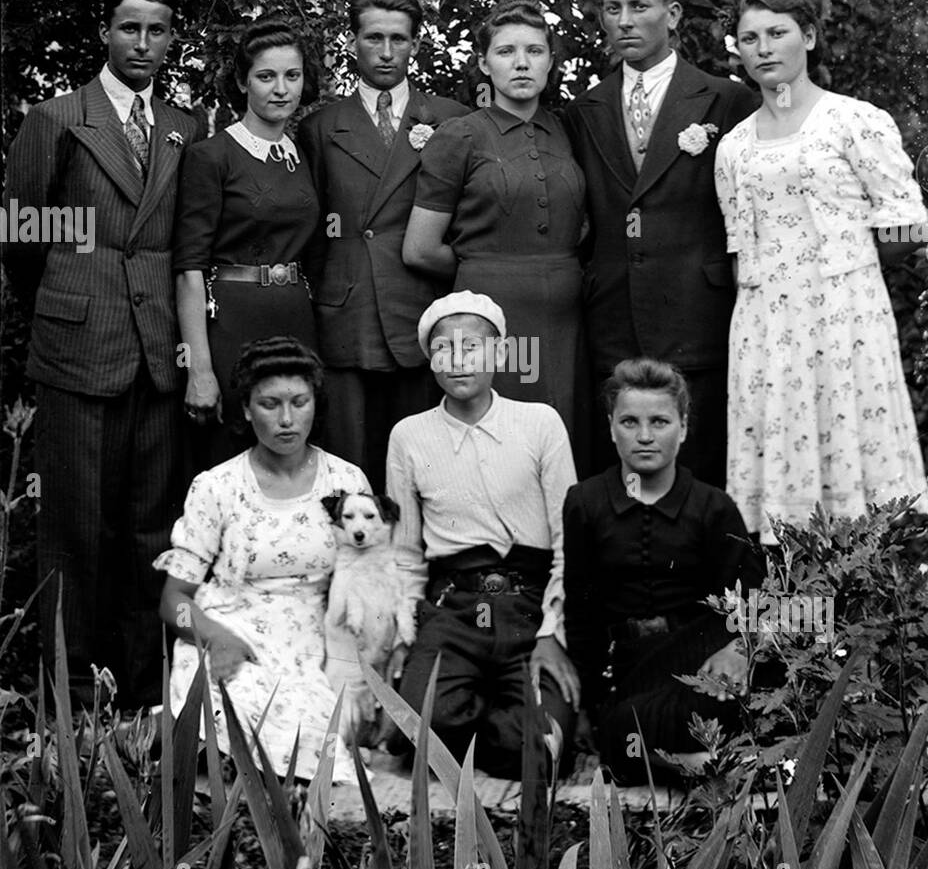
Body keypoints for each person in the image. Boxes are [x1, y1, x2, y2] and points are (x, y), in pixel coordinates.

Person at [1, 0, 201, 711]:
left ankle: (146, 688)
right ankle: (72, 692)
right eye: (129, 29)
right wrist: (75, 290)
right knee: (76, 529)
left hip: (158, 352)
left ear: (170, 37)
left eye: (156, 31)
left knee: (154, 525)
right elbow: (22, 236)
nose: (142, 44)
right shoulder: (57, 119)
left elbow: (186, 239)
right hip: (79, 345)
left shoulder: (188, 126)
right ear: (105, 33)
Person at [714, 0, 928, 541]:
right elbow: (742, 246)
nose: (763, 48)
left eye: (778, 33)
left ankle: (868, 588)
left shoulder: (853, 120)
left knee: (849, 432)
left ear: (807, 37)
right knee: (781, 440)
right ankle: (788, 586)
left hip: (845, 312)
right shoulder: (734, 146)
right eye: (749, 38)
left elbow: (906, 224)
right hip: (766, 322)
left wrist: (840, 265)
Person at [561, 0, 758, 485]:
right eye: (612, 8)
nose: (624, 21)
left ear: (671, 15)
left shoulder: (728, 100)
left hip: (697, 313)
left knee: (701, 470)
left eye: (639, 6)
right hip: (613, 315)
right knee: (615, 472)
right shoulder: (584, 110)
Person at [385, 291, 580, 778]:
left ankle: (512, 715)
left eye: (472, 346)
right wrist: (406, 635)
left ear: (501, 354)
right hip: (454, 607)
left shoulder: (539, 424)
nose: (458, 360)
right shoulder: (409, 436)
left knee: (534, 750)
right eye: (444, 348)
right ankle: (470, 707)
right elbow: (406, 554)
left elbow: (569, 542)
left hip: (527, 606)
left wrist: (552, 633)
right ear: (430, 361)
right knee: (422, 736)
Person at [155, 337, 368, 782]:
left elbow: (365, 588)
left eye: (299, 402)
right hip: (228, 625)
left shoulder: (346, 481)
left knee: (310, 735)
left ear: (315, 404)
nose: (286, 420)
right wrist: (217, 638)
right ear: (248, 410)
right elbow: (174, 599)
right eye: (269, 404)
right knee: (235, 708)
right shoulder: (216, 487)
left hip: (313, 639)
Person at [296, 0, 469, 490]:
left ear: (416, 44)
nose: (387, 52)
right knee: (352, 469)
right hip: (346, 314)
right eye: (374, 38)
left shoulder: (451, 119)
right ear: (353, 42)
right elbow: (310, 230)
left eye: (399, 39)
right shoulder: (321, 126)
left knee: (425, 469)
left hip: (421, 309)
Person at [563, 358, 764, 783]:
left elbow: (752, 597)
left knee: (718, 698)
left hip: (700, 652)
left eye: (660, 421)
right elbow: (581, 612)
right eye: (630, 422)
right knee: (619, 730)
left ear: (683, 427)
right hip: (632, 663)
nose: (645, 436)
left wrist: (737, 651)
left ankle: (692, 759)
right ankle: (702, 765)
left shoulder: (713, 506)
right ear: (611, 427)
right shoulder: (586, 502)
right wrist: (582, 705)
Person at [403, 0, 588, 460]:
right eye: (506, 52)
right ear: (484, 63)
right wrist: (485, 268)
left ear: (550, 60)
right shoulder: (461, 135)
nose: (521, 63)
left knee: (564, 434)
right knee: (504, 438)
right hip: (491, 311)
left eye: (535, 51)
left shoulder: (569, 131)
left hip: (568, 314)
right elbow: (420, 248)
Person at [174, 14, 323, 469]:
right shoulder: (211, 155)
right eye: (266, 76)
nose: (281, 89)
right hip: (232, 323)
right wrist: (199, 367)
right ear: (242, 81)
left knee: (293, 454)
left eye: (292, 76)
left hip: (295, 319)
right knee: (229, 454)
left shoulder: (304, 154)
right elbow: (189, 268)